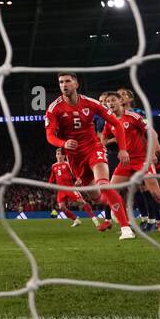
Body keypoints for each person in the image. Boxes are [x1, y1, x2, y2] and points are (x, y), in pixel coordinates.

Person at [45, 72, 133, 240]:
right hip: (74, 157)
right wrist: (63, 144)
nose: (64, 85)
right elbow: (50, 135)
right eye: (61, 82)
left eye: (68, 81)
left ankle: (125, 228)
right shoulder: (54, 108)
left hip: (93, 148)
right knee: (98, 198)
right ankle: (118, 209)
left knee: (104, 184)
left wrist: (123, 149)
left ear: (76, 84)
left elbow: (117, 124)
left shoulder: (91, 103)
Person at [98, 92, 160, 233]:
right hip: (126, 162)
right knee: (110, 191)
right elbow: (103, 139)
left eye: (113, 100)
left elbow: (151, 133)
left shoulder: (134, 117)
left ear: (120, 101)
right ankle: (126, 224)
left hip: (142, 161)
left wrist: (152, 154)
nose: (110, 103)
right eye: (108, 102)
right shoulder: (110, 122)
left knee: (155, 194)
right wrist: (111, 142)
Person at [48, 148, 101, 229]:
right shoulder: (53, 166)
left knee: (82, 202)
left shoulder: (68, 164)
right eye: (57, 154)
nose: (59, 156)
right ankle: (76, 220)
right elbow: (52, 177)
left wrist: (78, 179)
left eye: (60, 154)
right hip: (61, 190)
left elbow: (75, 172)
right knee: (61, 206)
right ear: (56, 155)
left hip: (70, 188)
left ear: (64, 155)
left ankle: (94, 219)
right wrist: (49, 184)